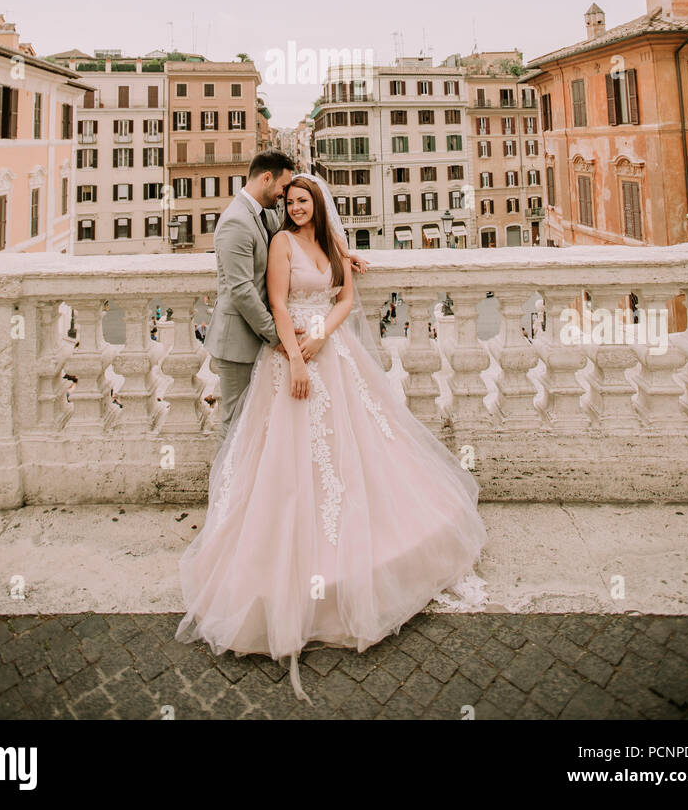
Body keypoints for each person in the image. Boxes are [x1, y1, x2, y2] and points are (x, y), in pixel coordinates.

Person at [176, 173, 486, 701]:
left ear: (317, 205)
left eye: (304, 201)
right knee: (288, 463)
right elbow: (276, 303)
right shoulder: (280, 243)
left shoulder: (329, 244)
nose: (296, 207)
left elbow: (345, 298)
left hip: (333, 355)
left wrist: (321, 336)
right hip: (292, 360)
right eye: (290, 201)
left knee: (359, 449)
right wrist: (297, 357)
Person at [203, 151, 368, 445]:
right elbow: (241, 290)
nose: (286, 201)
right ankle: (227, 491)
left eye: (297, 199)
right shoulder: (236, 221)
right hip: (242, 340)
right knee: (237, 423)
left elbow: (309, 240)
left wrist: (341, 254)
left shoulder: (264, 212)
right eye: (285, 192)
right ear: (267, 178)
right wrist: (282, 340)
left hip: (293, 337)